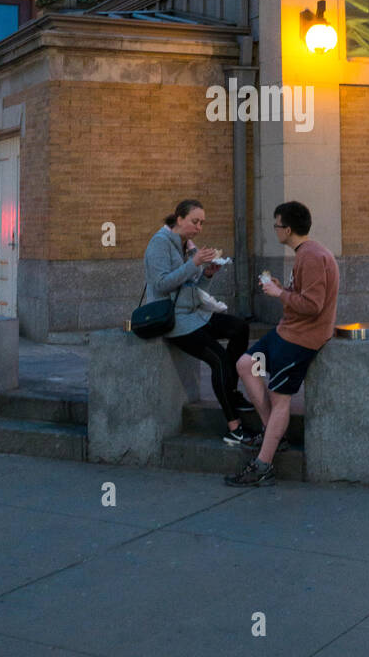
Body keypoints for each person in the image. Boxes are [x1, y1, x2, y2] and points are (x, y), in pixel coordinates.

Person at [225, 200, 339, 487]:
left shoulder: (311, 257)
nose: (275, 230)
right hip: (285, 332)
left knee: (280, 397)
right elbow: (302, 296)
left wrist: (278, 294)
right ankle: (274, 433)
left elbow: (313, 306)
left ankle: (263, 465)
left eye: (276, 225)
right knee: (245, 363)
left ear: (287, 229)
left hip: (302, 339)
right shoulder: (305, 254)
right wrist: (284, 288)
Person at [143, 198, 258, 446]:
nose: (199, 227)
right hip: (175, 321)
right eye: (195, 222)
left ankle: (233, 392)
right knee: (219, 359)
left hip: (195, 314)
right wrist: (193, 263)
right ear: (179, 219)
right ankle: (234, 428)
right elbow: (161, 284)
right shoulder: (159, 244)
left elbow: (192, 286)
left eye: (202, 223)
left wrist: (206, 274)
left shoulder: (186, 245)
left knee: (240, 328)